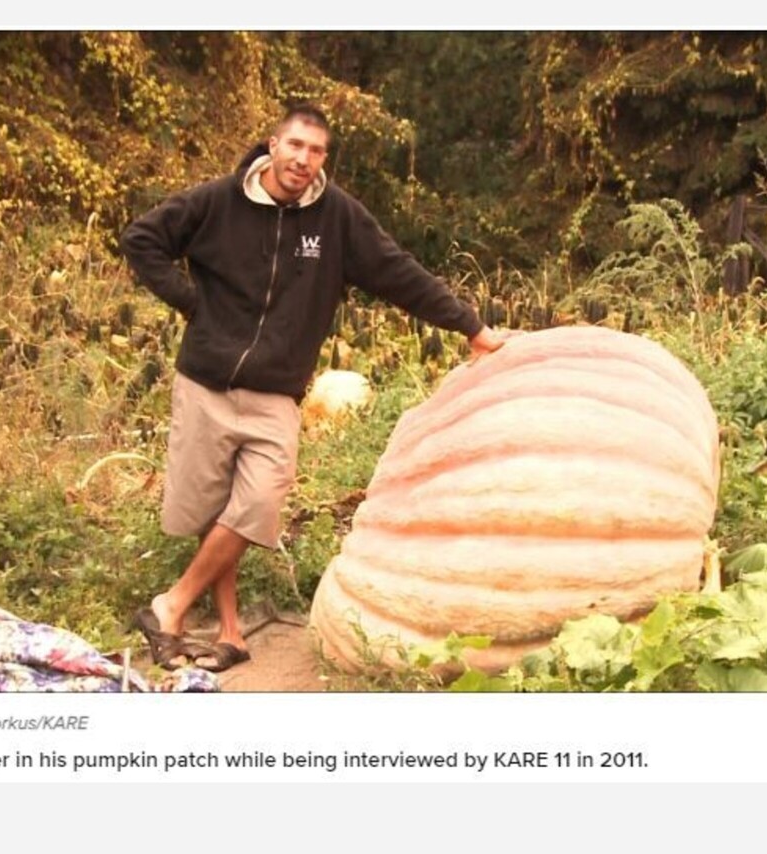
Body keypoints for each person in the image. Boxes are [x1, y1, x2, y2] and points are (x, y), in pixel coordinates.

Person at [120, 102, 505, 671]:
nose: (303, 159)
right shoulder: (214, 203)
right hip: (205, 380)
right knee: (216, 511)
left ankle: (169, 605)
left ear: (324, 159)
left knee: (257, 505)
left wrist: (470, 325)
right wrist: (192, 304)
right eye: (295, 145)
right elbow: (141, 239)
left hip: (277, 390)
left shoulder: (336, 219)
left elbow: (398, 272)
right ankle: (232, 634)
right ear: (273, 146)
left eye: (316, 151)